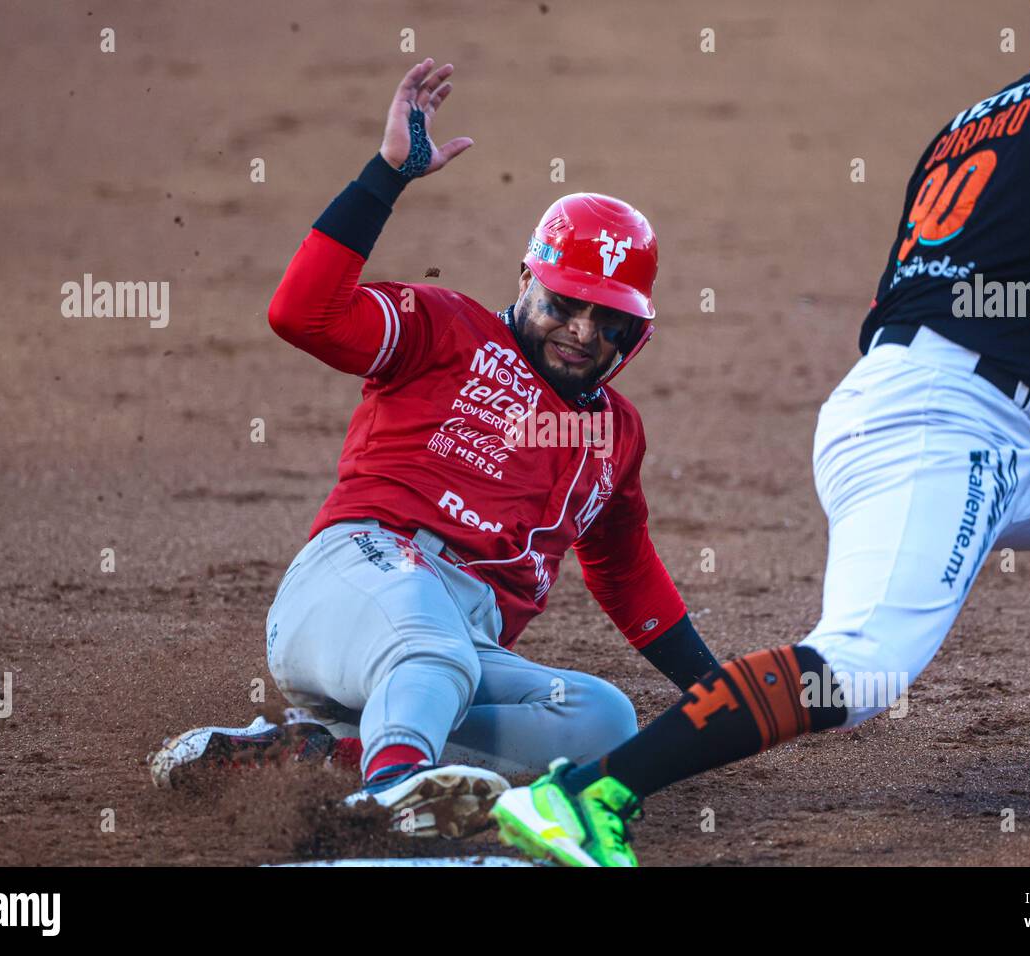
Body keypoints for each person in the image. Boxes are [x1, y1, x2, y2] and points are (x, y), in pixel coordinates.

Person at [491, 0, 1030, 866]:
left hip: (991, 411)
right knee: (863, 668)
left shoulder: (970, 125)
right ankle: (584, 794)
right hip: (946, 427)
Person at [148, 59, 718, 837]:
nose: (584, 332)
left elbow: (624, 573)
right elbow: (301, 316)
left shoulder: (615, 432)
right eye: (564, 304)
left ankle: (327, 757)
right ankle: (397, 794)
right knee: (427, 633)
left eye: (610, 319)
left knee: (601, 722)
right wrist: (385, 176)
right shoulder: (442, 327)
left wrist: (718, 690)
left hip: (460, 645)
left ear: (638, 328)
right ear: (526, 279)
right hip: (358, 582)